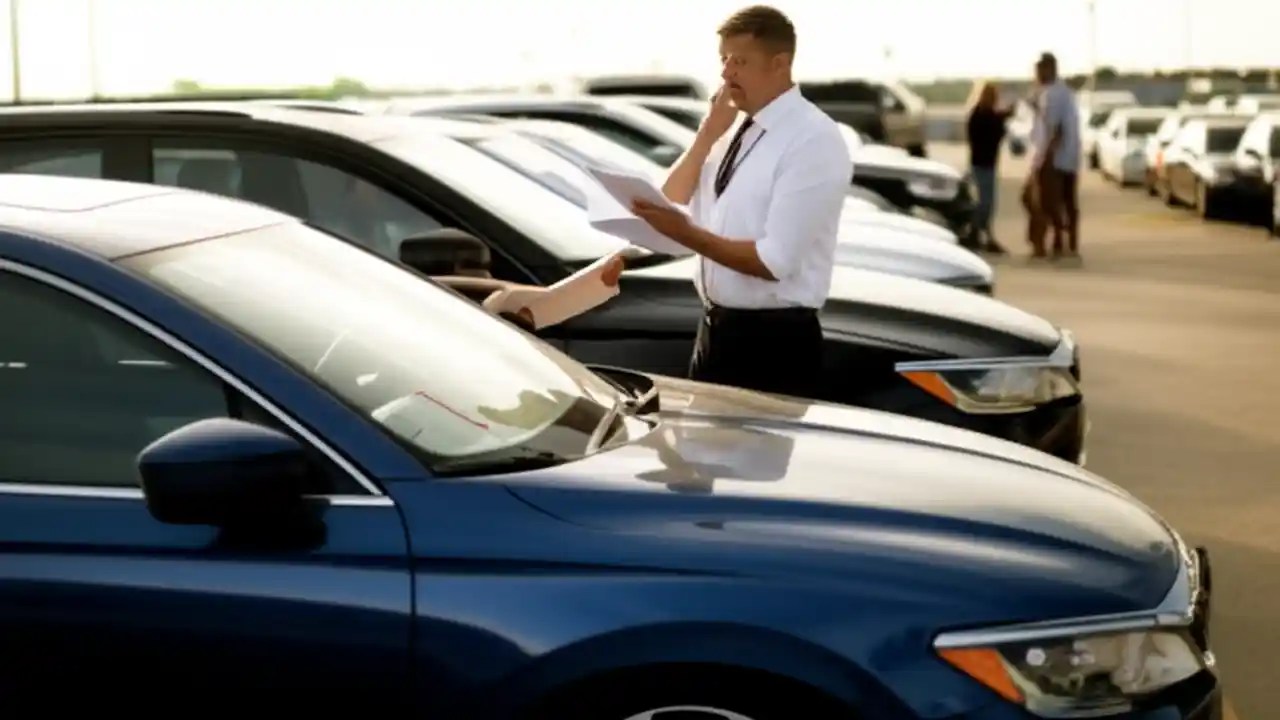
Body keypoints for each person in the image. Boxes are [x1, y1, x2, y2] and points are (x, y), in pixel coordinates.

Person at [629, 5, 852, 399]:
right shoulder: (733, 128)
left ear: (779, 64)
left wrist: (689, 235)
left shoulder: (812, 138)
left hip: (772, 346)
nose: (726, 73)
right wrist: (706, 134)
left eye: (740, 61)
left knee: (757, 462)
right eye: (723, 60)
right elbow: (672, 198)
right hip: (715, 332)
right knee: (704, 459)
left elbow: (773, 261)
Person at [1029, 52, 1082, 260]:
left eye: (1039, 70)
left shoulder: (1052, 94)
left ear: (1049, 69)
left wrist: (1045, 157)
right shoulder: (1065, 92)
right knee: (1068, 201)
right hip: (1069, 158)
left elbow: (1055, 129)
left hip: (1054, 158)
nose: (1037, 74)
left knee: (1046, 202)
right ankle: (1069, 241)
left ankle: (1055, 240)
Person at [964, 81, 1015, 255]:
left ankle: (982, 234)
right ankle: (975, 232)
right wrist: (1003, 119)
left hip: (985, 163)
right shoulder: (980, 116)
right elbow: (991, 135)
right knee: (985, 203)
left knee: (987, 203)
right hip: (982, 164)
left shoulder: (981, 115)